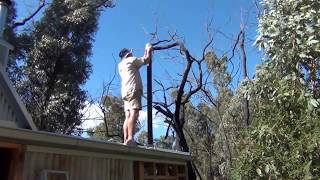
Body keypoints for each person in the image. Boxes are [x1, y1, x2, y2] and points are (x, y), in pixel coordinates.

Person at [118, 43, 153, 146]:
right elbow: (147, 59)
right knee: (134, 113)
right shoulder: (131, 60)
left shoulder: (121, 65)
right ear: (128, 54)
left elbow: (134, 62)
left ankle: (125, 140)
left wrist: (131, 54)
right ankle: (130, 139)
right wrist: (148, 49)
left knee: (128, 115)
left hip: (125, 92)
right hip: (134, 90)